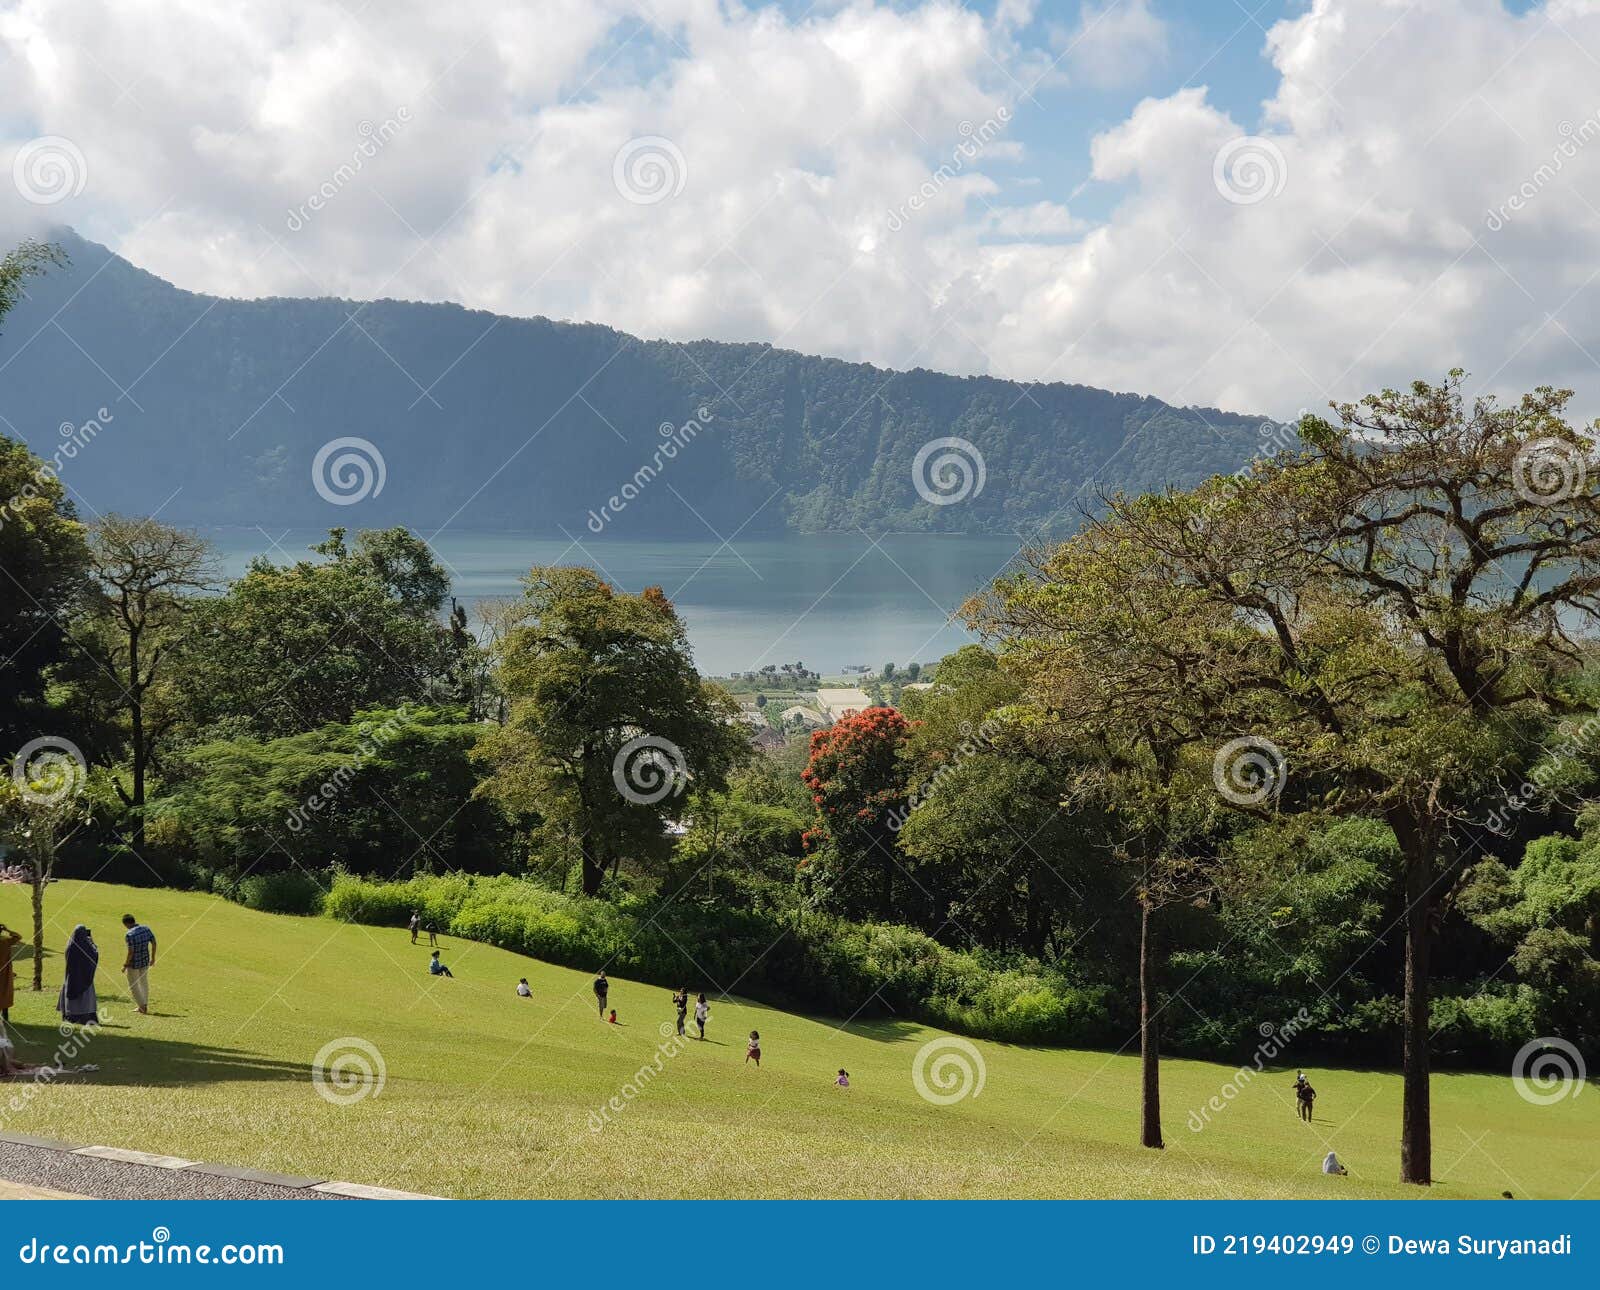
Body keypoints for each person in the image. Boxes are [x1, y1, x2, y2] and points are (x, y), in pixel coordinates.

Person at [57, 925, 99, 1025]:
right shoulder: (87, 947)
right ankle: (85, 1017)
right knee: (85, 998)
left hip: (71, 976)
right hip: (85, 977)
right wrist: (91, 941)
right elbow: (95, 953)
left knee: (71, 996)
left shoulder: (70, 945)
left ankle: (70, 1015)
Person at [121, 914, 156, 1015]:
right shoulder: (146, 929)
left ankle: (142, 1006)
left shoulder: (129, 934)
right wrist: (153, 958)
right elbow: (154, 943)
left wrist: (125, 964)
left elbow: (131, 951)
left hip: (134, 964)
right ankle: (144, 1004)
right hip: (145, 960)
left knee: (134, 985)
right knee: (143, 982)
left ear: (126, 924)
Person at [0, 922, 20, 1023]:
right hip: (5, 972)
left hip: (4, 971)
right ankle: (5, 1018)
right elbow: (18, 936)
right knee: (4, 994)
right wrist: (7, 930)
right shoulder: (5, 942)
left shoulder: (5, 942)